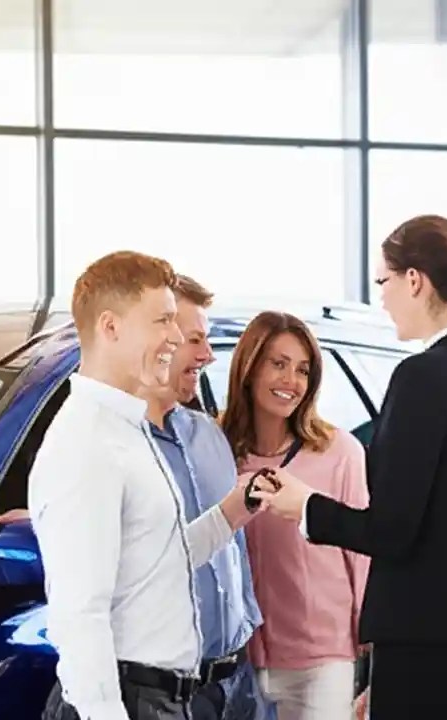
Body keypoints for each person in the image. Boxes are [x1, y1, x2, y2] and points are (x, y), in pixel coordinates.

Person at [251, 214, 447, 720]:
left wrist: (306, 506)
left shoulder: (422, 378)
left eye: (382, 281)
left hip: (429, 650)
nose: (381, 299)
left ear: (414, 280)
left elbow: (392, 529)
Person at [30, 250, 273, 720]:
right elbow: (79, 615)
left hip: (164, 699)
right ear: (111, 327)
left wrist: (231, 513)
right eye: (162, 321)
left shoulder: (129, 430)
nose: (176, 337)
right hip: (129, 699)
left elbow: (159, 560)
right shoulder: (85, 443)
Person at [219, 310, 369, 720]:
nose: (291, 381)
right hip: (237, 663)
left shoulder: (339, 451)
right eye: (278, 364)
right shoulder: (214, 448)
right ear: (249, 367)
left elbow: (362, 556)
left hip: (322, 662)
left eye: (303, 370)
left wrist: (372, 645)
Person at [136, 274, 264, 719]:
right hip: (164, 697)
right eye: (194, 340)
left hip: (238, 686)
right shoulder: (116, 450)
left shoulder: (210, 434)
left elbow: (235, 555)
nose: (208, 355)